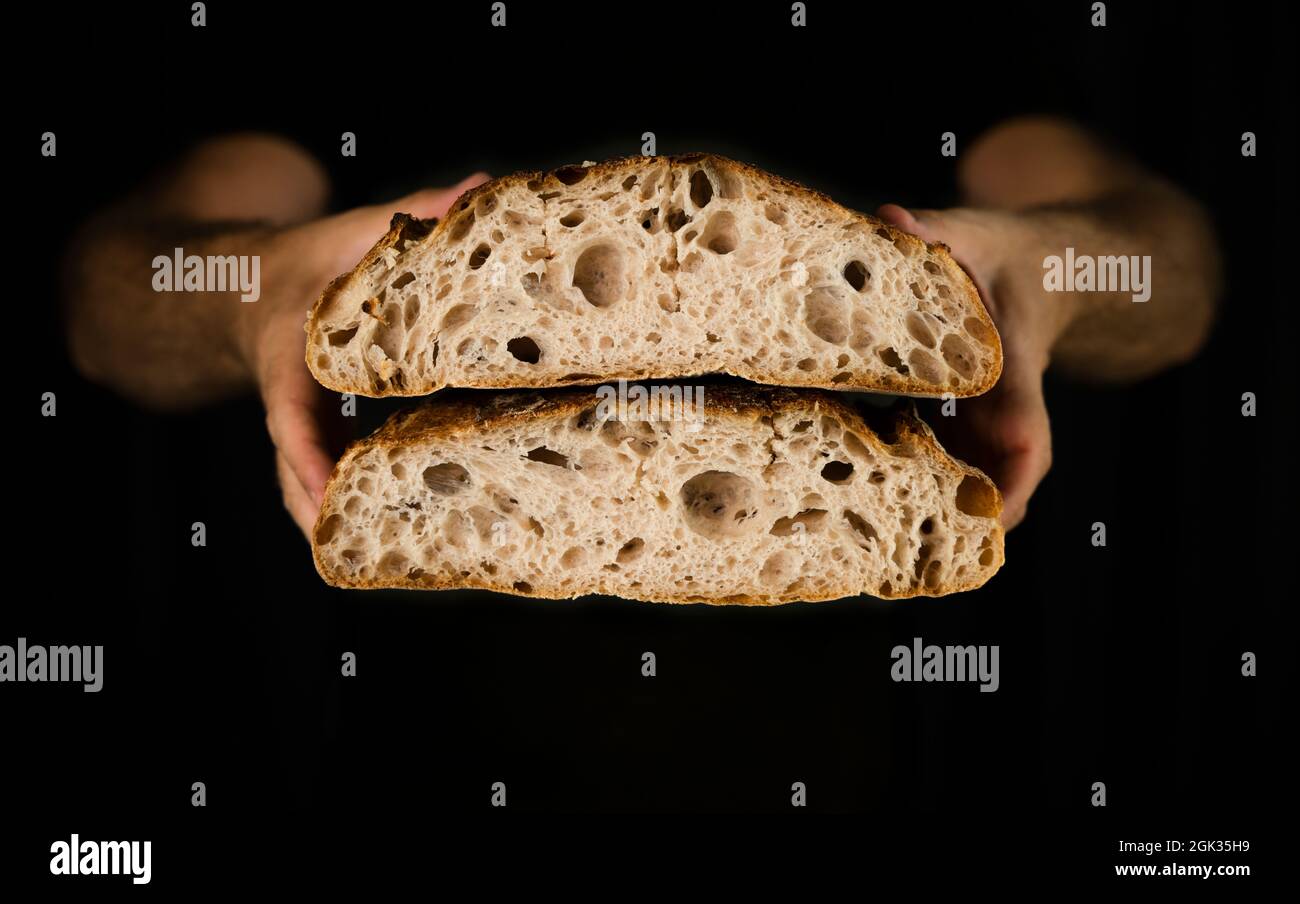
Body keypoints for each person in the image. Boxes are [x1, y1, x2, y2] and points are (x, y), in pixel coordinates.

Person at [61, 118, 1220, 537]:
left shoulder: (977, 58)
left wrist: (1043, 275)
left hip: (874, 738)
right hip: (388, 738)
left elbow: (1179, 265)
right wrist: (252, 289)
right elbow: (101, 299)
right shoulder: (313, 73)